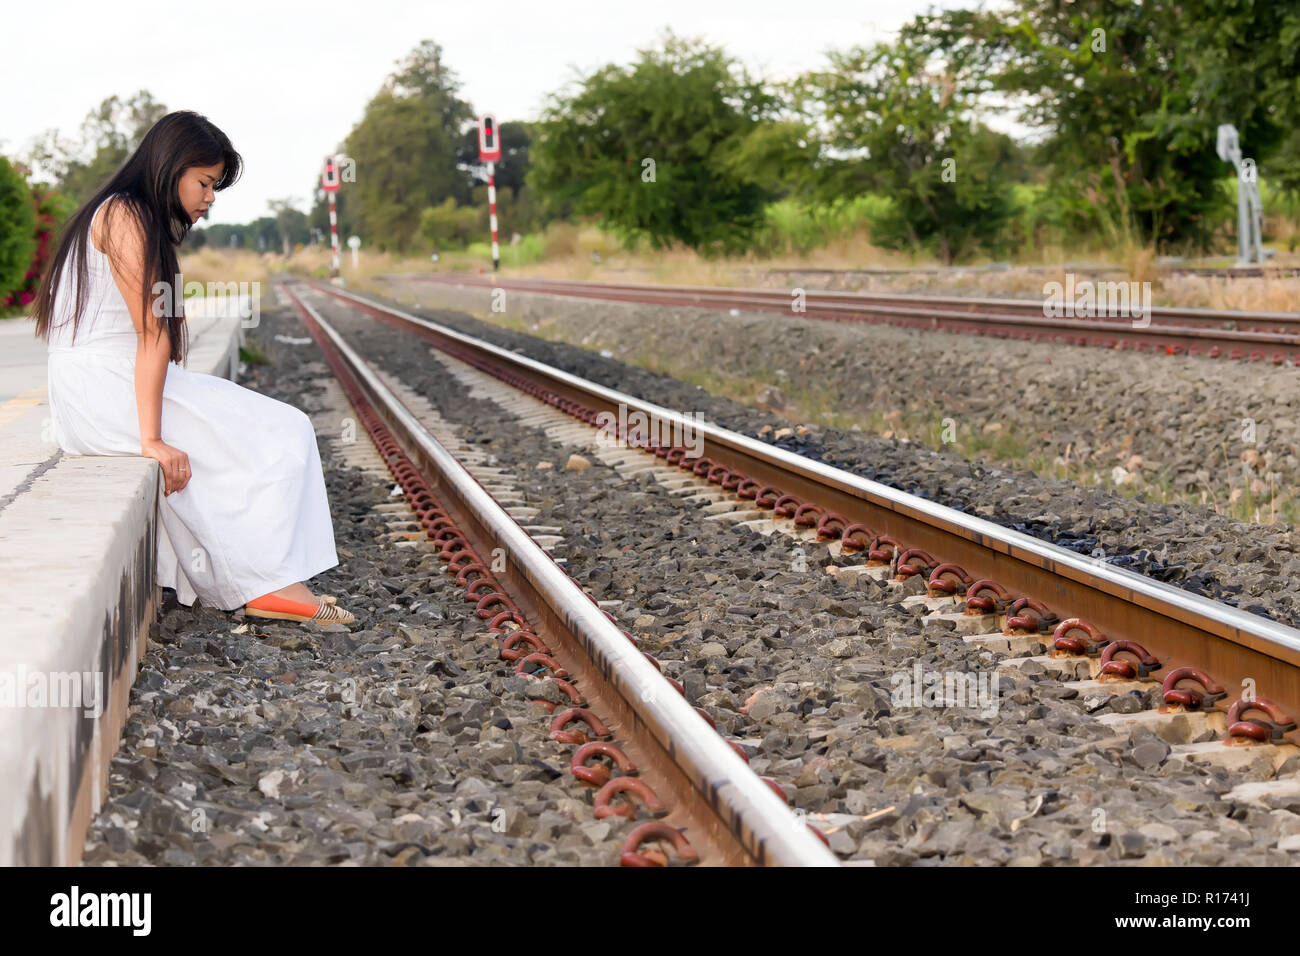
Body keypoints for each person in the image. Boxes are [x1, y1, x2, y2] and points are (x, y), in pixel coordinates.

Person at [29, 110, 357, 627]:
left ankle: (269, 581)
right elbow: (153, 332)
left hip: (104, 382)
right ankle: (269, 585)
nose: (209, 198)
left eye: (215, 187)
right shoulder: (124, 216)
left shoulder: (130, 215)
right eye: (204, 182)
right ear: (170, 167)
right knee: (281, 430)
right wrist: (151, 439)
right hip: (102, 387)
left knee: (275, 428)